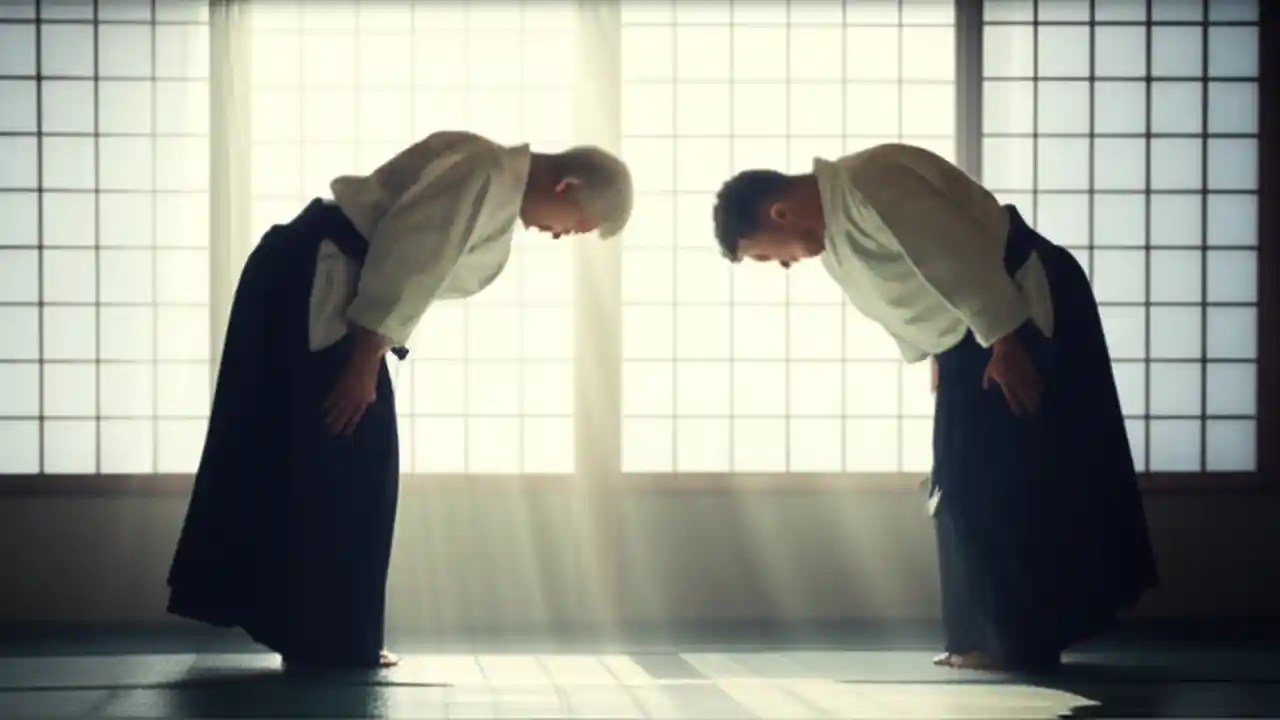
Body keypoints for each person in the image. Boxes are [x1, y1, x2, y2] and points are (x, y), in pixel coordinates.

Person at [167, 131, 633, 669]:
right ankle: (327, 640)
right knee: (352, 455)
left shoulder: (492, 180)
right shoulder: (484, 171)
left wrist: (372, 352)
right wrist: (364, 362)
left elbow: (412, 264)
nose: (560, 235)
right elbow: (410, 258)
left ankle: (318, 635)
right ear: (567, 186)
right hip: (314, 279)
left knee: (325, 451)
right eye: (576, 224)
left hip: (321, 283)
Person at [711, 143, 1158, 672]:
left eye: (767, 255)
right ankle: (994, 637)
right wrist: (937, 355)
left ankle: (1019, 639)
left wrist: (1007, 340)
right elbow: (905, 301)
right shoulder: (834, 241)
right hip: (973, 334)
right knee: (959, 481)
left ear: (779, 213)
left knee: (1002, 477)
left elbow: (956, 254)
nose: (784, 264)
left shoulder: (867, 183)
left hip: (1017, 305)